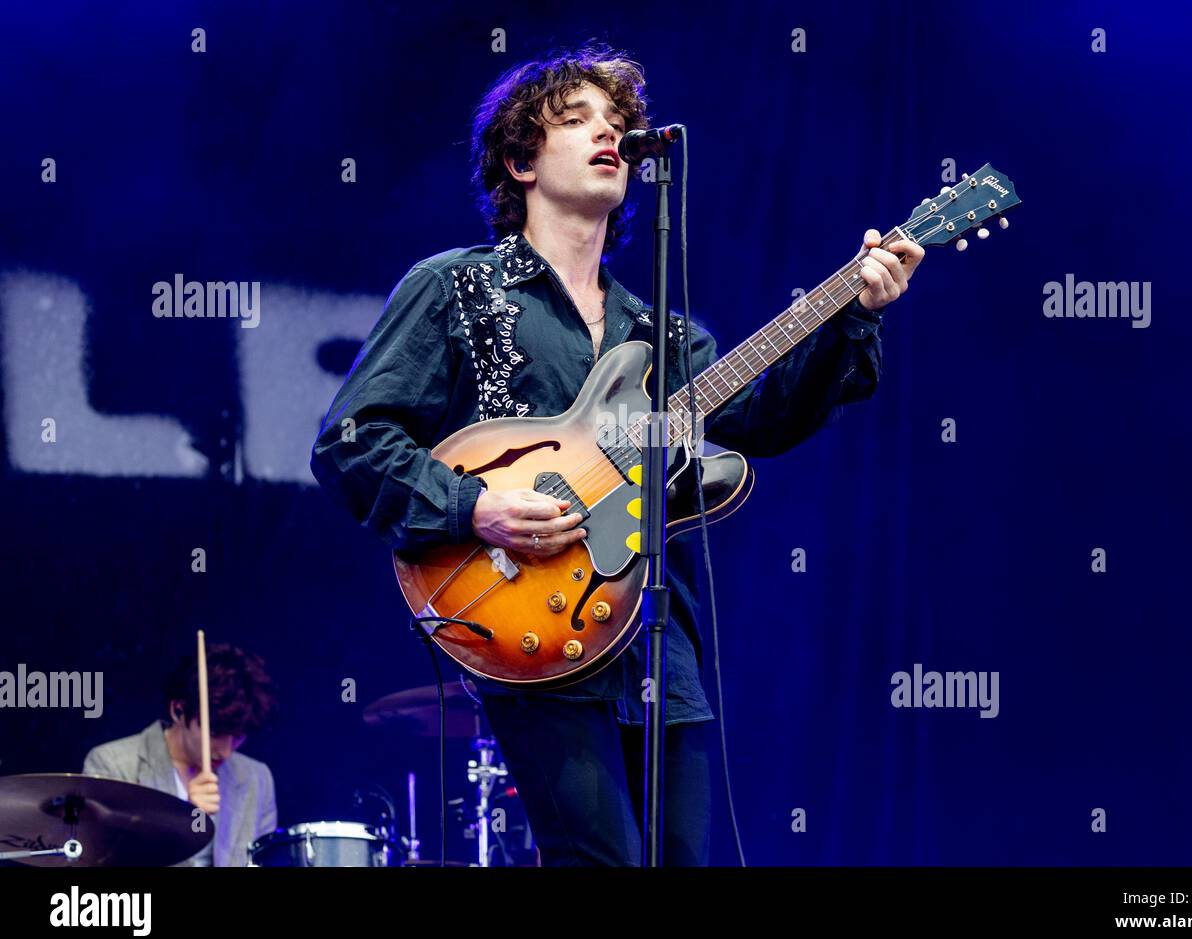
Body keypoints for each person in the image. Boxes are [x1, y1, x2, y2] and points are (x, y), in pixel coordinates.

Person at [310, 44, 923, 866]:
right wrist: (475, 506)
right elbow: (353, 439)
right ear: (522, 159)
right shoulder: (457, 286)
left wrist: (856, 310)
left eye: (619, 122)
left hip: (657, 640)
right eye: (577, 120)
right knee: (600, 859)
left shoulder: (658, 328)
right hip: (527, 617)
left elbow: (762, 420)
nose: (611, 133)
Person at [83, 643, 277, 867]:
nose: (225, 750)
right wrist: (183, 823)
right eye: (214, 733)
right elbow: (106, 866)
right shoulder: (114, 766)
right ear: (178, 711)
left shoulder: (256, 778)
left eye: (237, 738)